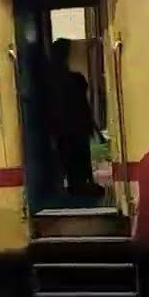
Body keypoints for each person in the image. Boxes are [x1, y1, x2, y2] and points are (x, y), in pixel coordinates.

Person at [50, 38, 104, 198]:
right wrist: (92, 126)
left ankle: (77, 185)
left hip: (65, 126)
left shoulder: (54, 78)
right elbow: (82, 105)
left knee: (70, 157)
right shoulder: (75, 80)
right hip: (75, 125)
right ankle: (82, 185)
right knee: (80, 156)